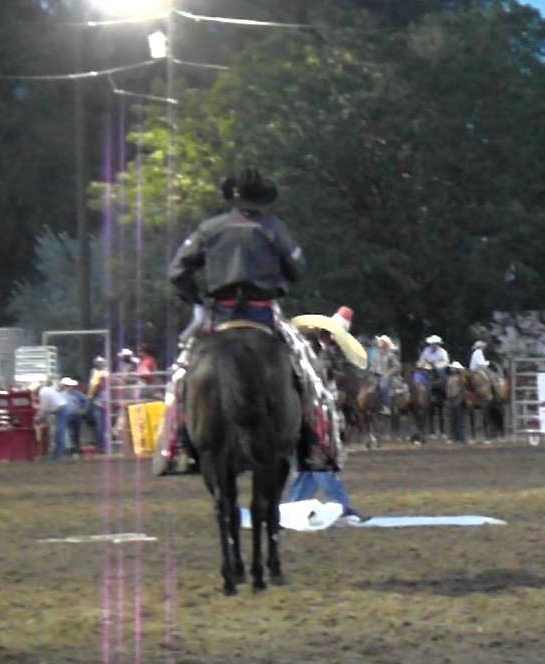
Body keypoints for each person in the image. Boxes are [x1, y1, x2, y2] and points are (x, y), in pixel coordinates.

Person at [168, 168, 339, 471]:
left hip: (220, 315)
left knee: (182, 373)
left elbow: (177, 271)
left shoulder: (209, 229)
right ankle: (313, 440)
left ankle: (180, 442)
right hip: (262, 314)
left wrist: (196, 300)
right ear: (262, 199)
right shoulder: (274, 228)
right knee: (306, 369)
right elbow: (298, 269)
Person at [35, 378, 70, 460]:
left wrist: (38, 417)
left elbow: (44, 407)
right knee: (58, 431)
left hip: (60, 409)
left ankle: (58, 455)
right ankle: (57, 454)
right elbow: (46, 408)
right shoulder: (47, 390)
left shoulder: (43, 393)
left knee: (59, 431)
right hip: (60, 408)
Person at [371, 335, 401, 414]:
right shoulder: (377, 354)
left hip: (386, 376)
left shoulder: (390, 355)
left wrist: (388, 374)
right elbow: (374, 365)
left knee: (383, 386)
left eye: (382, 342)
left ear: (386, 344)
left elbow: (397, 366)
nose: (379, 343)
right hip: (375, 375)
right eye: (380, 341)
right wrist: (372, 370)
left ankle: (386, 406)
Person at [60, 377, 88, 456]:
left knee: (76, 432)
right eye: (68, 386)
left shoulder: (78, 394)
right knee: (70, 432)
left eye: (71, 386)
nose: (70, 388)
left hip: (76, 415)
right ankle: (71, 448)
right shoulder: (62, 394)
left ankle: (76, 448)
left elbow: (86, 401)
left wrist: (83, 410)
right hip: (67, 415)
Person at [86, 356, 108, 452]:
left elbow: (96, 387)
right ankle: (101, 445)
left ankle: (102, 445)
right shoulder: (96, 373)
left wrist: (91, 396)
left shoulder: (102, 374)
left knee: (101, 425)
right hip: (98, 401)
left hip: (100, 401)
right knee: (100, 424)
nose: (98, 364)